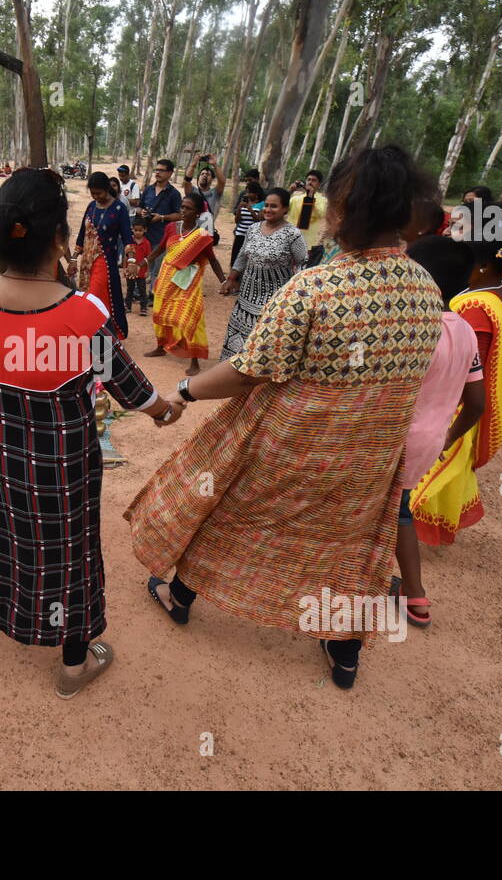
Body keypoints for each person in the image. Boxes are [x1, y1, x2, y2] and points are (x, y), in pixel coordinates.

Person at [124, 145, 445, 691]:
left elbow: (250, 371)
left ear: (342, 207)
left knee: (229, 512)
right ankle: (344, 651)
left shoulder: (316, 287)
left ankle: (179, 596)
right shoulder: (427, 290)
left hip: (293, 441)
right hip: (371, 451)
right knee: (351, 539)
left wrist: (183, 390)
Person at [0, 167, 185, 698]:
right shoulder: (82, 317)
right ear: (61, 240)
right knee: (67, 555)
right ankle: (72, 664)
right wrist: (166, 411)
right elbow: (134, 391)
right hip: (58, 478)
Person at [394, 237, 485, 627]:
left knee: (372, 508)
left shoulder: (411, 327)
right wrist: (448, 436)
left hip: (390, 437)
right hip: (428, 441)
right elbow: (477, 401)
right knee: (398, 510)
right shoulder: (465, 331)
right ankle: (416, 597)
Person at [409, 239, 502, 545]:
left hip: (443, 408)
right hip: (453, 409)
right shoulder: (498, 295)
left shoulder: (474, 308)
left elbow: (463, 367)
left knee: (422, 482)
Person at [145, 192, 226, 375]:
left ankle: (194, 360)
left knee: (191, 317)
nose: (183, 210)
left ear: (198, 213)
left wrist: (224, 281)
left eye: (188, 208)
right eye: (182, 206)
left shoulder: (203, 235)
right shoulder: (172, 228)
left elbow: (212, 260)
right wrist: (143, 263)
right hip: (167, 279)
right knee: (160, 312)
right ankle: (161, 346)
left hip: (189, 282)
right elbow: (159, 249)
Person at [219, 188, 306, 360]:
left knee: (262, 344)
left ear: (285, 209)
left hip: (274, 299)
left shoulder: (292, 234)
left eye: (274, 206)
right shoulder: (252, 229)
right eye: (266, 205)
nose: (268, 209)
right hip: (246, 296)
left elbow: (303, 262)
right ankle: (232, 379)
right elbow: (242, 256)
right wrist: (231, 279)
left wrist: (296, 293)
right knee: (237, 341)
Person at [74, 171, 132, 338]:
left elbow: (127, 236)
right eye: (92, 193)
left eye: (98, 193)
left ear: (107, 189)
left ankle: (98, 333)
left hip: (104, 261)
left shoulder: (119, 208)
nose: (96, 196)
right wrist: (73, 259)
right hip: (86, 264)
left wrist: (132, 260)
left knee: (95, 295)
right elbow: (81, 235)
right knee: (87, 296)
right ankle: (95, 332)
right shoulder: (91, 206)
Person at [137, 159, 183, 285]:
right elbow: (139, 207)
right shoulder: (148, 190)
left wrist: (162, 217)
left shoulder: (174, 194)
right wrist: (141, 212)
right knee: (143, 265)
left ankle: (153, 295)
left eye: (161, 170)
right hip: (144, 236)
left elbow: (180, 215)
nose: (157, 173)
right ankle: (137, 293)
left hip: (162, 238)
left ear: (170, 173)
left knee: (158, 270)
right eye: (156, 170)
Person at [287, 168, 329, 258]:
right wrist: (290, 191)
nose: (310, 182)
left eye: (314, 180)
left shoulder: (323, 201)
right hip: (292, 241)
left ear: (319, 184)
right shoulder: (295, 199)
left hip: (311, 244)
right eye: (308, 180)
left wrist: (311, 197)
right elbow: (283, 207)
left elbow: (322, 214)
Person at [183, 153, 226, 239]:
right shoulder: (192, 191)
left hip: (206, 232)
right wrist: (193, 165)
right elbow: (186, 181)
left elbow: (222, 182)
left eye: (208, 174)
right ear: (198, 177)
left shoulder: (215, 193)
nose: (204, 175)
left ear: (212, 179)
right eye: (202, 174)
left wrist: (215, 164)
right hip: (190, 230)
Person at [230, 180, 265, 269]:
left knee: (247, 261)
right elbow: (237, 221)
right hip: (240, 235)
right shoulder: (244, 203)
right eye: (247, 192)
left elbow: (259, 221)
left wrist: (251, 210)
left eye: (249, 192)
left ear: (256, 193)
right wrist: (239, 209)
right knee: (235, 259)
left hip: (252, 237)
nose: (247, 194)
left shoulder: (262, 204)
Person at [124, 216, 151, 317]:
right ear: (132, 229)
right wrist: (124, 268)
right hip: (130, 271)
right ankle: (127, 306)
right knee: (129, 289)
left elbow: (148, 257)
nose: (138, 232)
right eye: (135, 230)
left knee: (142, 290)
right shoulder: (129, 242)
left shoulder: (147, 243)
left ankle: (143, 307)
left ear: (145, 230)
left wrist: (147, 271)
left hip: (141, 271)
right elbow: (125, 256)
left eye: (140, 230)